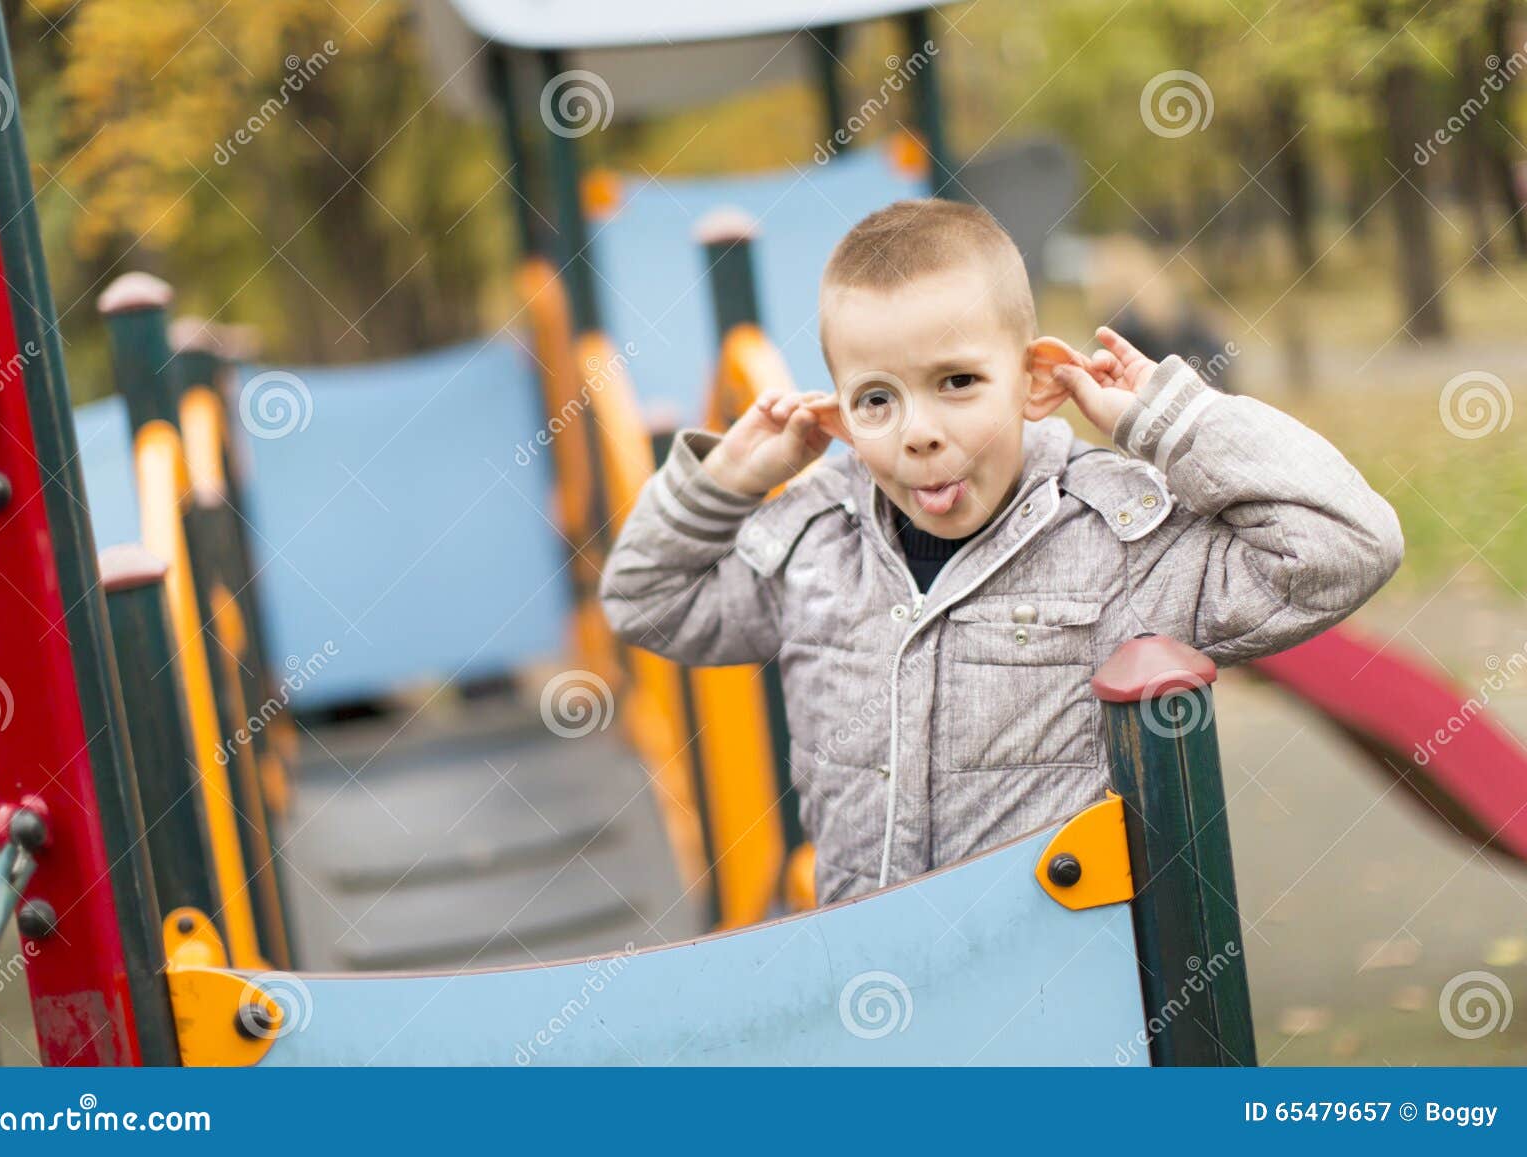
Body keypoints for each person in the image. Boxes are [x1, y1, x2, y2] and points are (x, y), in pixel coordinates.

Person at [599, 199, 1403, 906]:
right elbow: (646, 599)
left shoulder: (1110, 542)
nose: (918, 430)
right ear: (838, 416)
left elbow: (1344, 546)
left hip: (1057, 1000)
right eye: (877, 398)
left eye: (956, 382)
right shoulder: (814, 547)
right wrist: (723, 483)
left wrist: (1166, 420)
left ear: (1037, 382)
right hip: (871, 996)